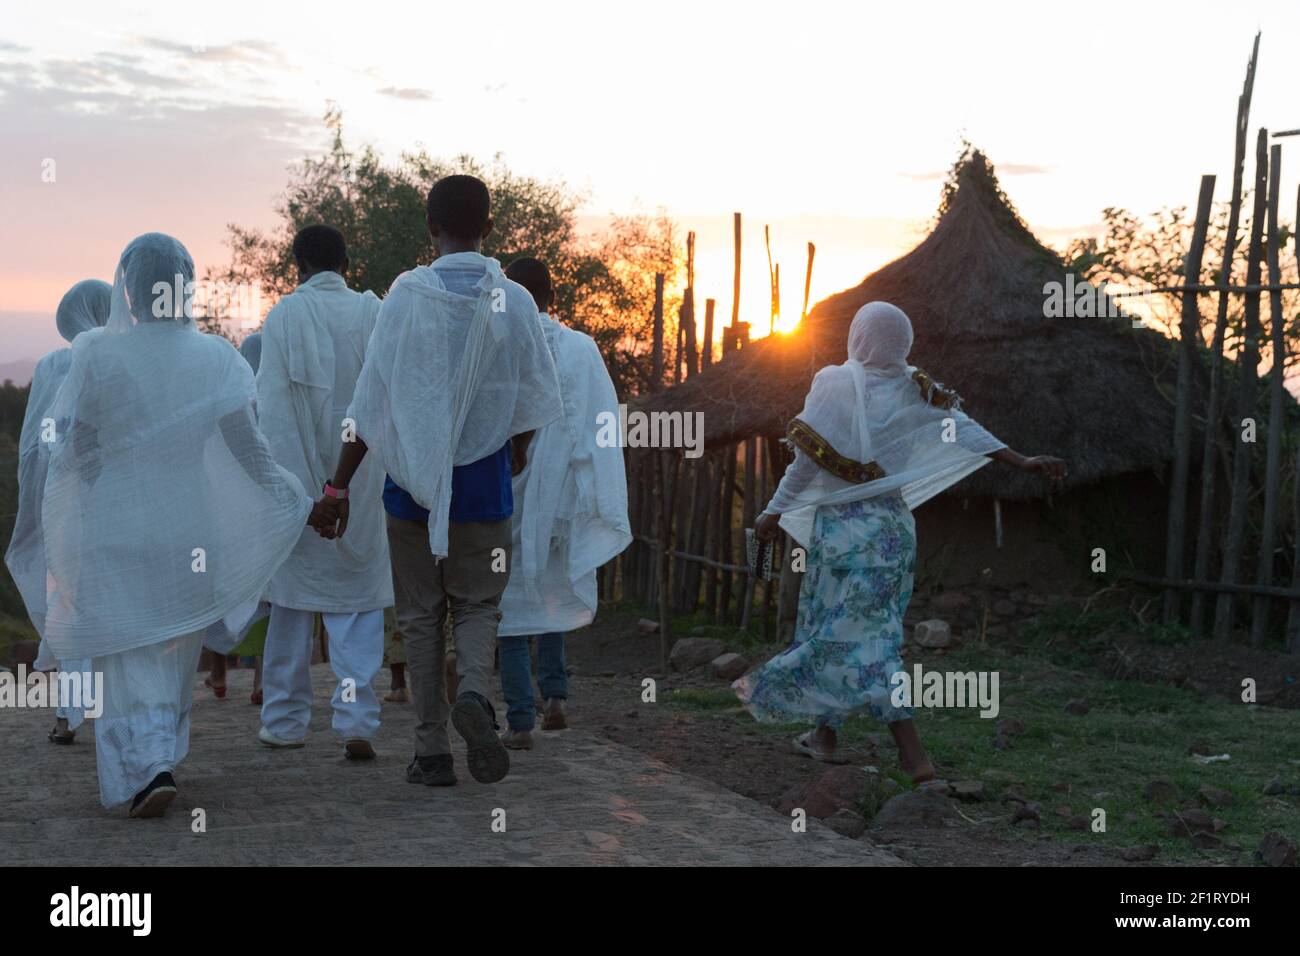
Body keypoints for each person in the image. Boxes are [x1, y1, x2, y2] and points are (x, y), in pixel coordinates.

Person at [39, 233, 314, 817]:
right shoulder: (217, 357)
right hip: (190, 529)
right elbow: (247, 445)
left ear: (129, 293)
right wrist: (287, 493)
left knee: (125, 648)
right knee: (172, 645)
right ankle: (156, 754)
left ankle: (150, 762)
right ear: (185, 287)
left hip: (116, 525)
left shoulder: (94, 354)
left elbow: (73, 447)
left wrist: (95, 488)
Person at [737, 301, 1067, 777]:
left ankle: (915, 757)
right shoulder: (917, 389)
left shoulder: (835, 384)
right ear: (902, 343)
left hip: (844, 536)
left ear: (858, 337)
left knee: (855, 641)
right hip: (892, 533)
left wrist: (771, 511)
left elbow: (804, 464)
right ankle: (824, 738)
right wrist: (1023, 461)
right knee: (853, 634)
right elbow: (967, 433)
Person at [312, 174, 563, 787]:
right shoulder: (516, 301)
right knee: (479, 606)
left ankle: (430, 752)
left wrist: (337, 488)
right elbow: (534, 397)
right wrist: (516, 453)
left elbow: (370, 404)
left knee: (422, 618)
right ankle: (475, 692)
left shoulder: (405, 296)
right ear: (491, 226)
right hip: (485, 491)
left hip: (411, 491)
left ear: (431, 227)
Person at [254, 226, 392, 760]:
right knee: (356, 606)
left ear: (299, 264)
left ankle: (285, 722)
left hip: (304, 490)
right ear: (347, 262)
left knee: (290, 605)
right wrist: (345, 487)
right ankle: (357, 721)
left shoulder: (285, 315)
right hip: (362, 479)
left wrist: (306, 499)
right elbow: (384, 403)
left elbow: (275, 418)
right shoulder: (373, 313)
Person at [495, 258, 630, 749]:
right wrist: (593, 495)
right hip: (561, 501)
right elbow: (602, 428)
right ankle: (556, 699)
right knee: (551, 592)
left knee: (508, 611)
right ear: (552, 296)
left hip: (506, 499)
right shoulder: (581, 348)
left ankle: (520, 721)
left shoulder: (502, 348)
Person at [5, 279, 111, 744]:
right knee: (115, 599)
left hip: (65, 502)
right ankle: (120, 714)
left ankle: (69, 713)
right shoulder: (120, 360)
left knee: (69, 602)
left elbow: (38, 444)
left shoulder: (51, 364)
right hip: (117, 500)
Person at [207, 332, 270, 704]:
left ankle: (218, 673)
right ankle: (262, 679)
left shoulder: (228, 401)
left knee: (219, 590)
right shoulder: (276, 398)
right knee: (268, 596)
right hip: (265, 514)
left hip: (226, 515)